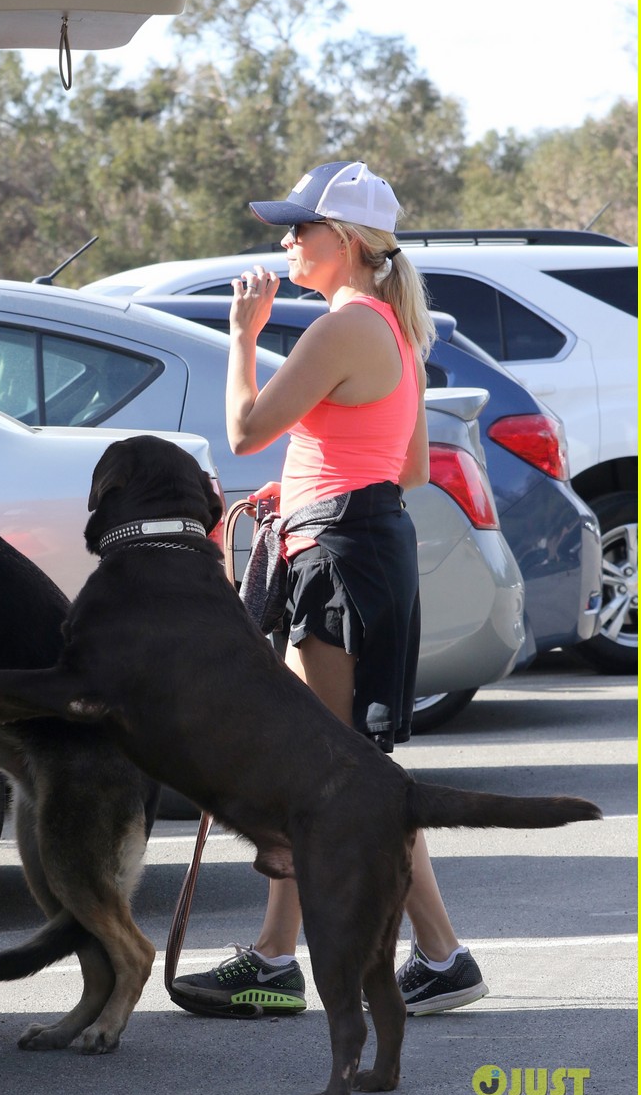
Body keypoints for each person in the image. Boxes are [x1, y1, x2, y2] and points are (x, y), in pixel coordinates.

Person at [170, 160, 488, 1019]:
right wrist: (306, 488)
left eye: (298, 228)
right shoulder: (393, 326)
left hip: (338, 554)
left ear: (342, 242)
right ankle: (411, 954)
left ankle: (314, 958)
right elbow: (407, 467)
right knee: (342, 769)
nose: (285, 242)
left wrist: (244, 334)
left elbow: (243, 432)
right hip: (360, 543)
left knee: (324, 766)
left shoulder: (344, 326)